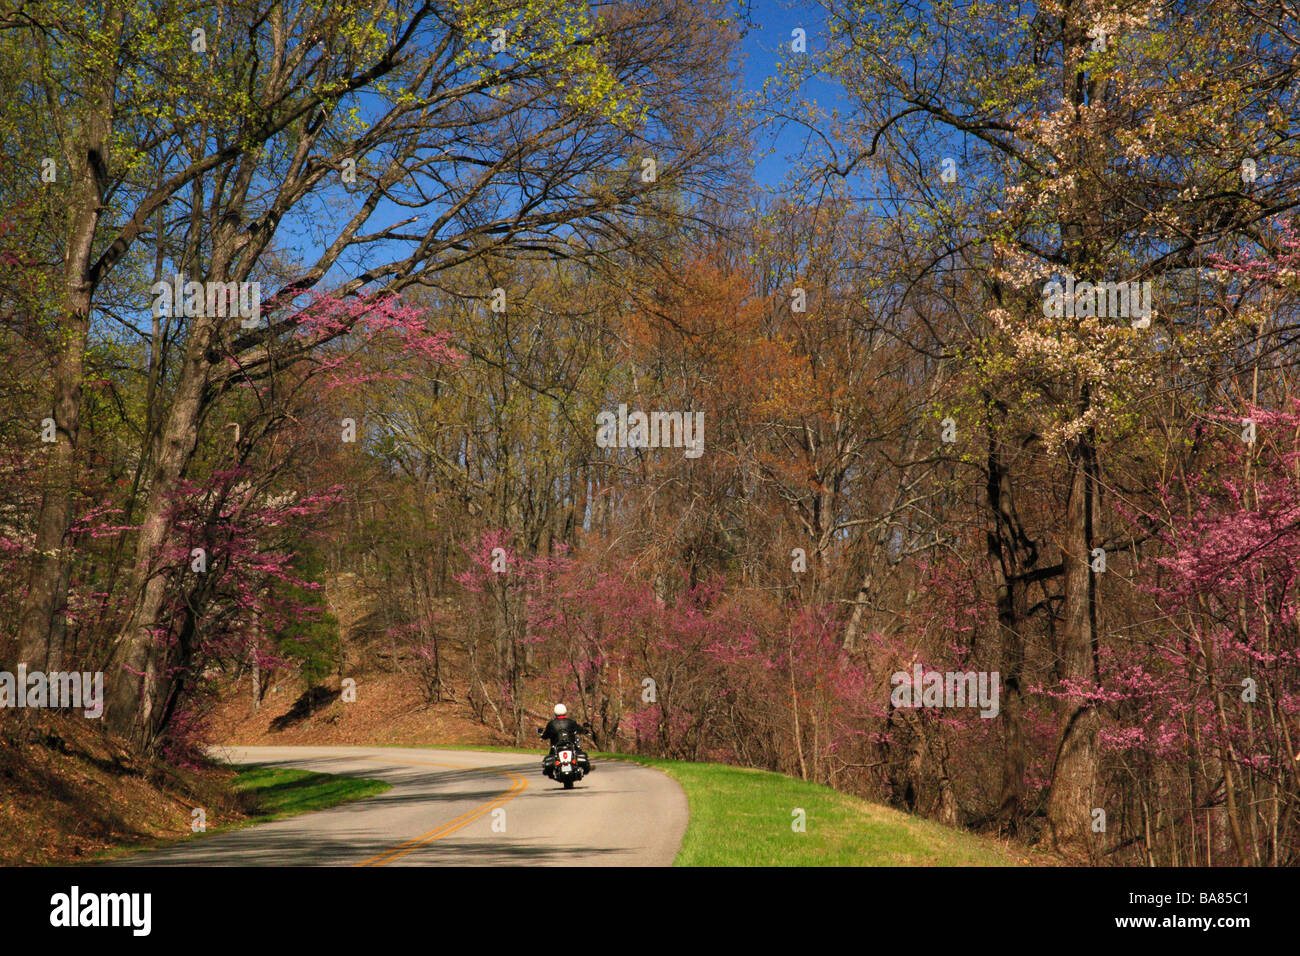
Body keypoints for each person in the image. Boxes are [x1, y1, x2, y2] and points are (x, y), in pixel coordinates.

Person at [538, 704, 595, 778]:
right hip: (571, 745)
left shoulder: (551, 724)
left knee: (549, 760)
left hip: (556, 747)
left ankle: (552, 772)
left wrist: (542, 737)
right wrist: (586, 732)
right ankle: (585, 768)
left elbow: (546, 734)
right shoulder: (571, 722)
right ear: (565, 711)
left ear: (555, 712)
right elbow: (579, 729)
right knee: (579, 753)